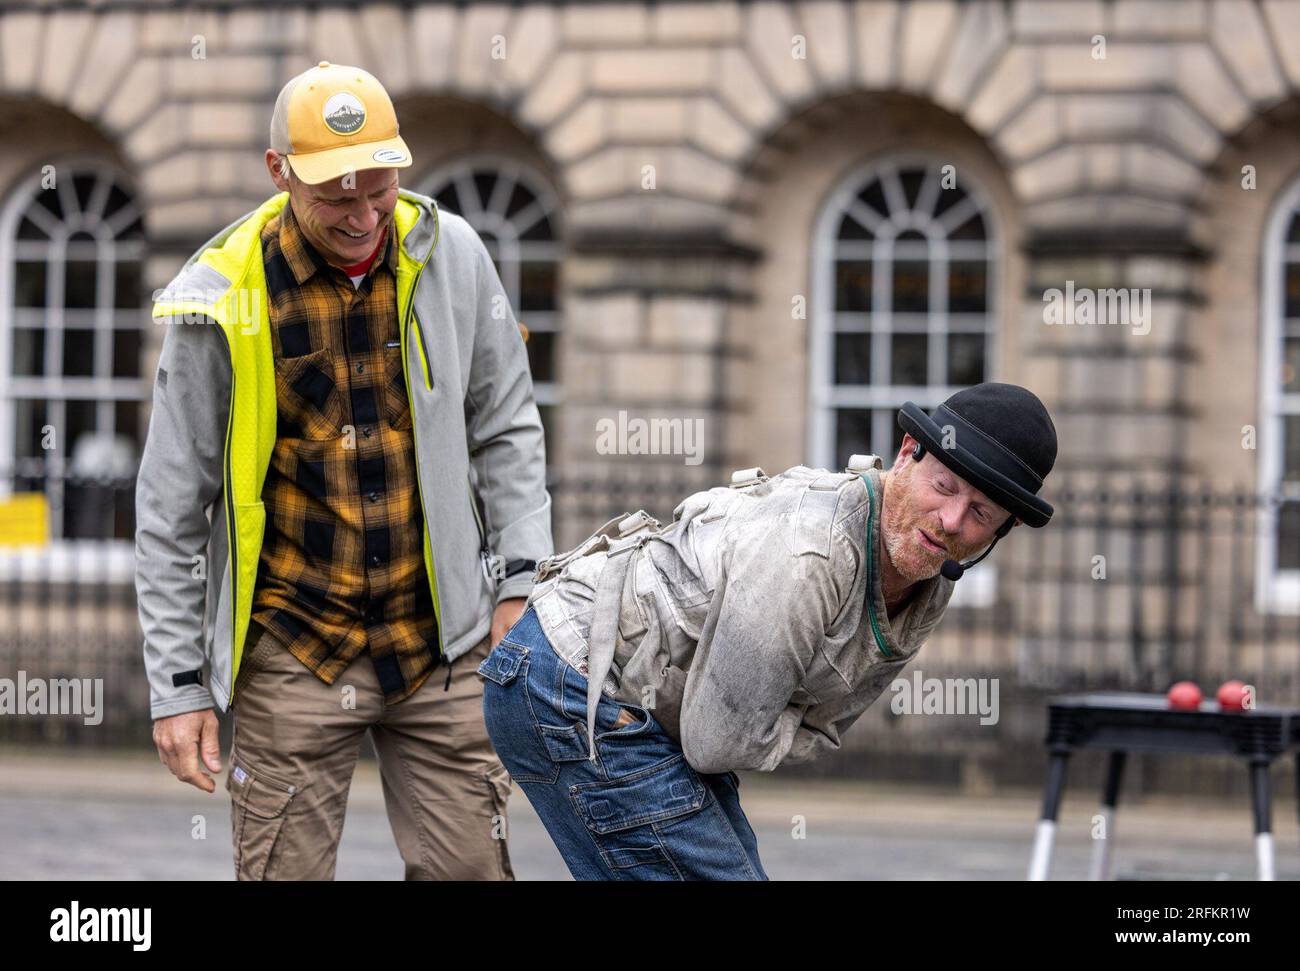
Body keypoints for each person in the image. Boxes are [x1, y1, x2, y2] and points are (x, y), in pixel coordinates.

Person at [136, 62, 551, 879]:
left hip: (444, 640)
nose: (364, 214)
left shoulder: (455, 254)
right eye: (337, 196)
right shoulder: (221, 295)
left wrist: (519, 582)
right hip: (293, 647)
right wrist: (180, 686)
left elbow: (505, 426)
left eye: (380, 187)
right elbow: (172, 506)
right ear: (278, 171)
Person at [478, 382, 1056, 879]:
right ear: (908, 453)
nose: (951, 522)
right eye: (946, 488)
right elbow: (720, 741)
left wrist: (765, 720)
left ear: (999, 533)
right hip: (567, 680)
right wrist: (777, 723)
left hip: (642, 710)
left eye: (981, 514)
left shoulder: (930, 577)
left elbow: (826, 720)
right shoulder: (809, 552)